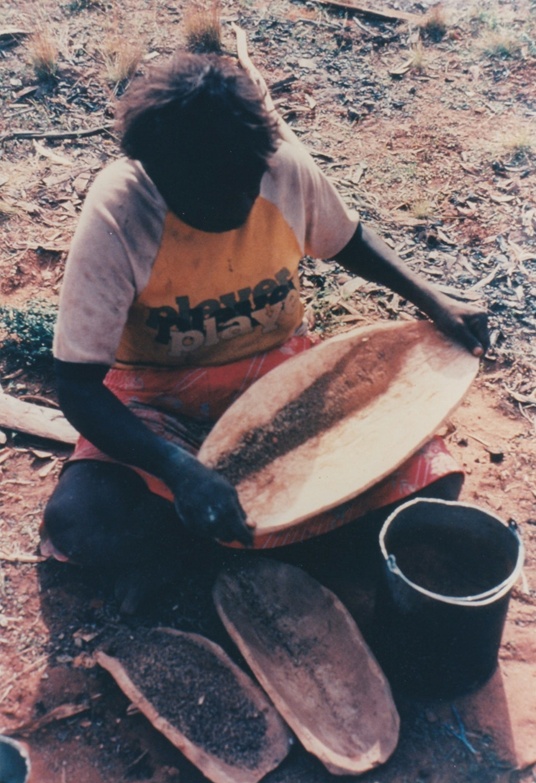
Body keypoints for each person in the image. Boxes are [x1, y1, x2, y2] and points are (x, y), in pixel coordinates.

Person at [40, 51, 489, 612]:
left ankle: (204, 554)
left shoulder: (282, 166)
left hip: (279, 378)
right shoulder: (119, 212)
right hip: (158, 397)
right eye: (203, 198)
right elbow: (78, 387)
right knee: (79, 522)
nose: (228, 209)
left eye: (241, 187)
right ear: (155, 175)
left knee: (434, 486)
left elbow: (347, 240)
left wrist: (434, 299)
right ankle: (290, 548)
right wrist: (176, 467)